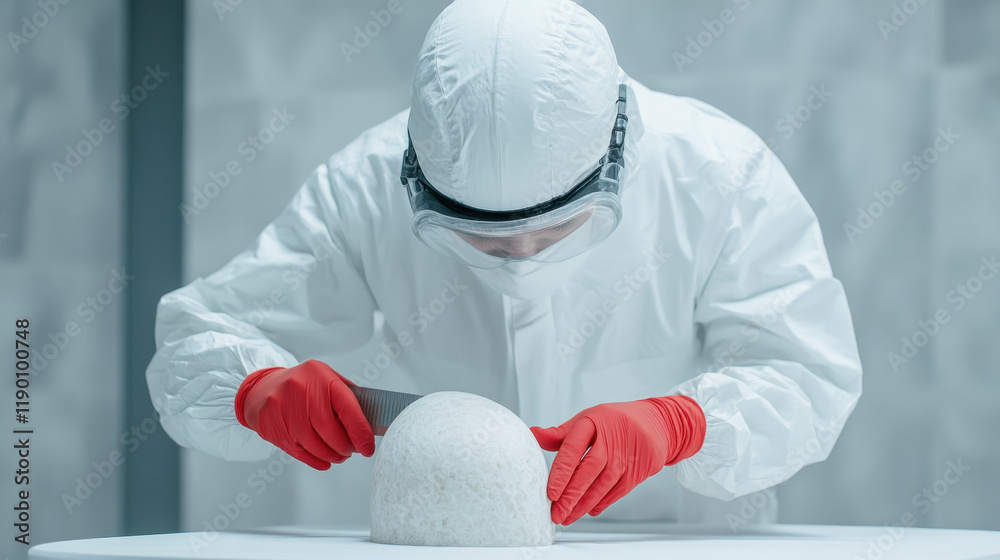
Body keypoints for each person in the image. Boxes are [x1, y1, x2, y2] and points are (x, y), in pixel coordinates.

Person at [146, 0, 862, 527]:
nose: (520, 263)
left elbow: (810, 374)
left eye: (554, 234)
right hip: (441, 543)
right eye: (483, 242)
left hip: (668, 541)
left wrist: (682, 425)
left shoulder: (719, 176)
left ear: (618, 156)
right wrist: (254, 387)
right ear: (416, 177)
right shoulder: (364, 186)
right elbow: (192, 342)